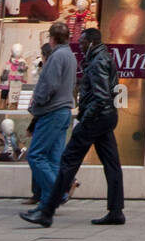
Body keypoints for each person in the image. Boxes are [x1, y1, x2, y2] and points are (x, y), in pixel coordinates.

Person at [21, 28, 125, 227]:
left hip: (95, 119)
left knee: (68, 161)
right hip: (105, 118)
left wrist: (84, 120)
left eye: (84, 42)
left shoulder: (97, 62)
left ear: (92, 42)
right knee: (112, 164)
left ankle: (47, 211)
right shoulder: (102, 58)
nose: (81, 45)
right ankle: (116, 210)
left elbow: (101, 97)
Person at [24, 22, 76, 206]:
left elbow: (49, 85)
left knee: (36, 155)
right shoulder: (69, 55)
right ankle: (47, 201)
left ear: (51, 38)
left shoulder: (56, 56)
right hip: (62, 110)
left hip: (52, 111)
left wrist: (37, 100)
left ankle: (56, 193)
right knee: (53, 157)